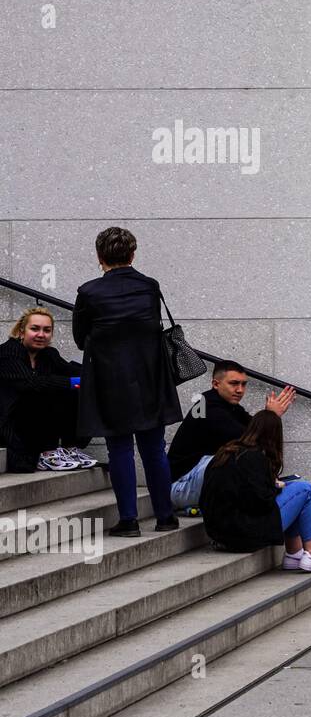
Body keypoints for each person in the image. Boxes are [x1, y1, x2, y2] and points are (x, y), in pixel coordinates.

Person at [73, 226, 182, 536]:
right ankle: (165, 516)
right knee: (154, 449)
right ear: (133, 254)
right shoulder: (150, 287)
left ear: (99, 256)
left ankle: (130, 520)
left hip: (110, 381)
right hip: (150, 378)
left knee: (119, 450)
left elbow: (81, 338)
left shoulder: (89, 292)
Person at [199, 409, 311, 572]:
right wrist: (275, 487)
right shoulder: (254, 457)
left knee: (294, 489)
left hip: (220, 535)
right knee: (306, 489)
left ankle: (295, 555)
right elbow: (260, 501)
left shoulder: (224, 453)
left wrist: (273, 484)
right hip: (243, 535)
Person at [167, 360, 295, 513]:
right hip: (179, 486)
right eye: (234, 383)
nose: (240, 390)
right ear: (216, 384)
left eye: (243, 384)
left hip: (196, 482)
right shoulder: (207, 407)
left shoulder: (230, 406)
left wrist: (268, 417)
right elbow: (249, 440)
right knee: (235, 455)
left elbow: (254, 429)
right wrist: (270, 416)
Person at [0, 308, 96, 472]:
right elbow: (30, 383)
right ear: (21, 331)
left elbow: (71, 371)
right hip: (8, 422)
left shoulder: (48, 354)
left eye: (47, 330)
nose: (41, 334)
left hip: (32, 422)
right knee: (48, 391)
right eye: (35, 329)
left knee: (81, 389)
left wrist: (97, 377)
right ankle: (47, 453)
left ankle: (69, 448)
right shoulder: (8, 352)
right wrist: (74, 382)